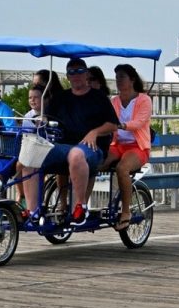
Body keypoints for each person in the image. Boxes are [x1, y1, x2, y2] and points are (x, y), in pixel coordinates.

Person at [41, 56, 120, 222]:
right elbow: (46, 118)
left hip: (91, 148)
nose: (76, 75)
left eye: (79, 71)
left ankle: (80, 206)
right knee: (31, 155)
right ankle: (31, 208)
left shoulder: (98, 97)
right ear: (68, 76)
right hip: (63, 145)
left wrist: (95, 132)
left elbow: (113, 125)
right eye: (72, 72)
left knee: (76, 154)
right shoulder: (61, 98)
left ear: (86, 74)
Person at [108, 63, 153, 217]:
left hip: (137, 147)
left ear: (132, 79)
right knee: (93, 163)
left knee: (122, 169)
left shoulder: (144, 100)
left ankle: (126, 211)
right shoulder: (114, 101)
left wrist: (121, 125)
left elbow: (140, 122)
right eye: (116, 77)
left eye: (122, 77)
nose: (118, 80)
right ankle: (82, 206)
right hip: (117, 144)